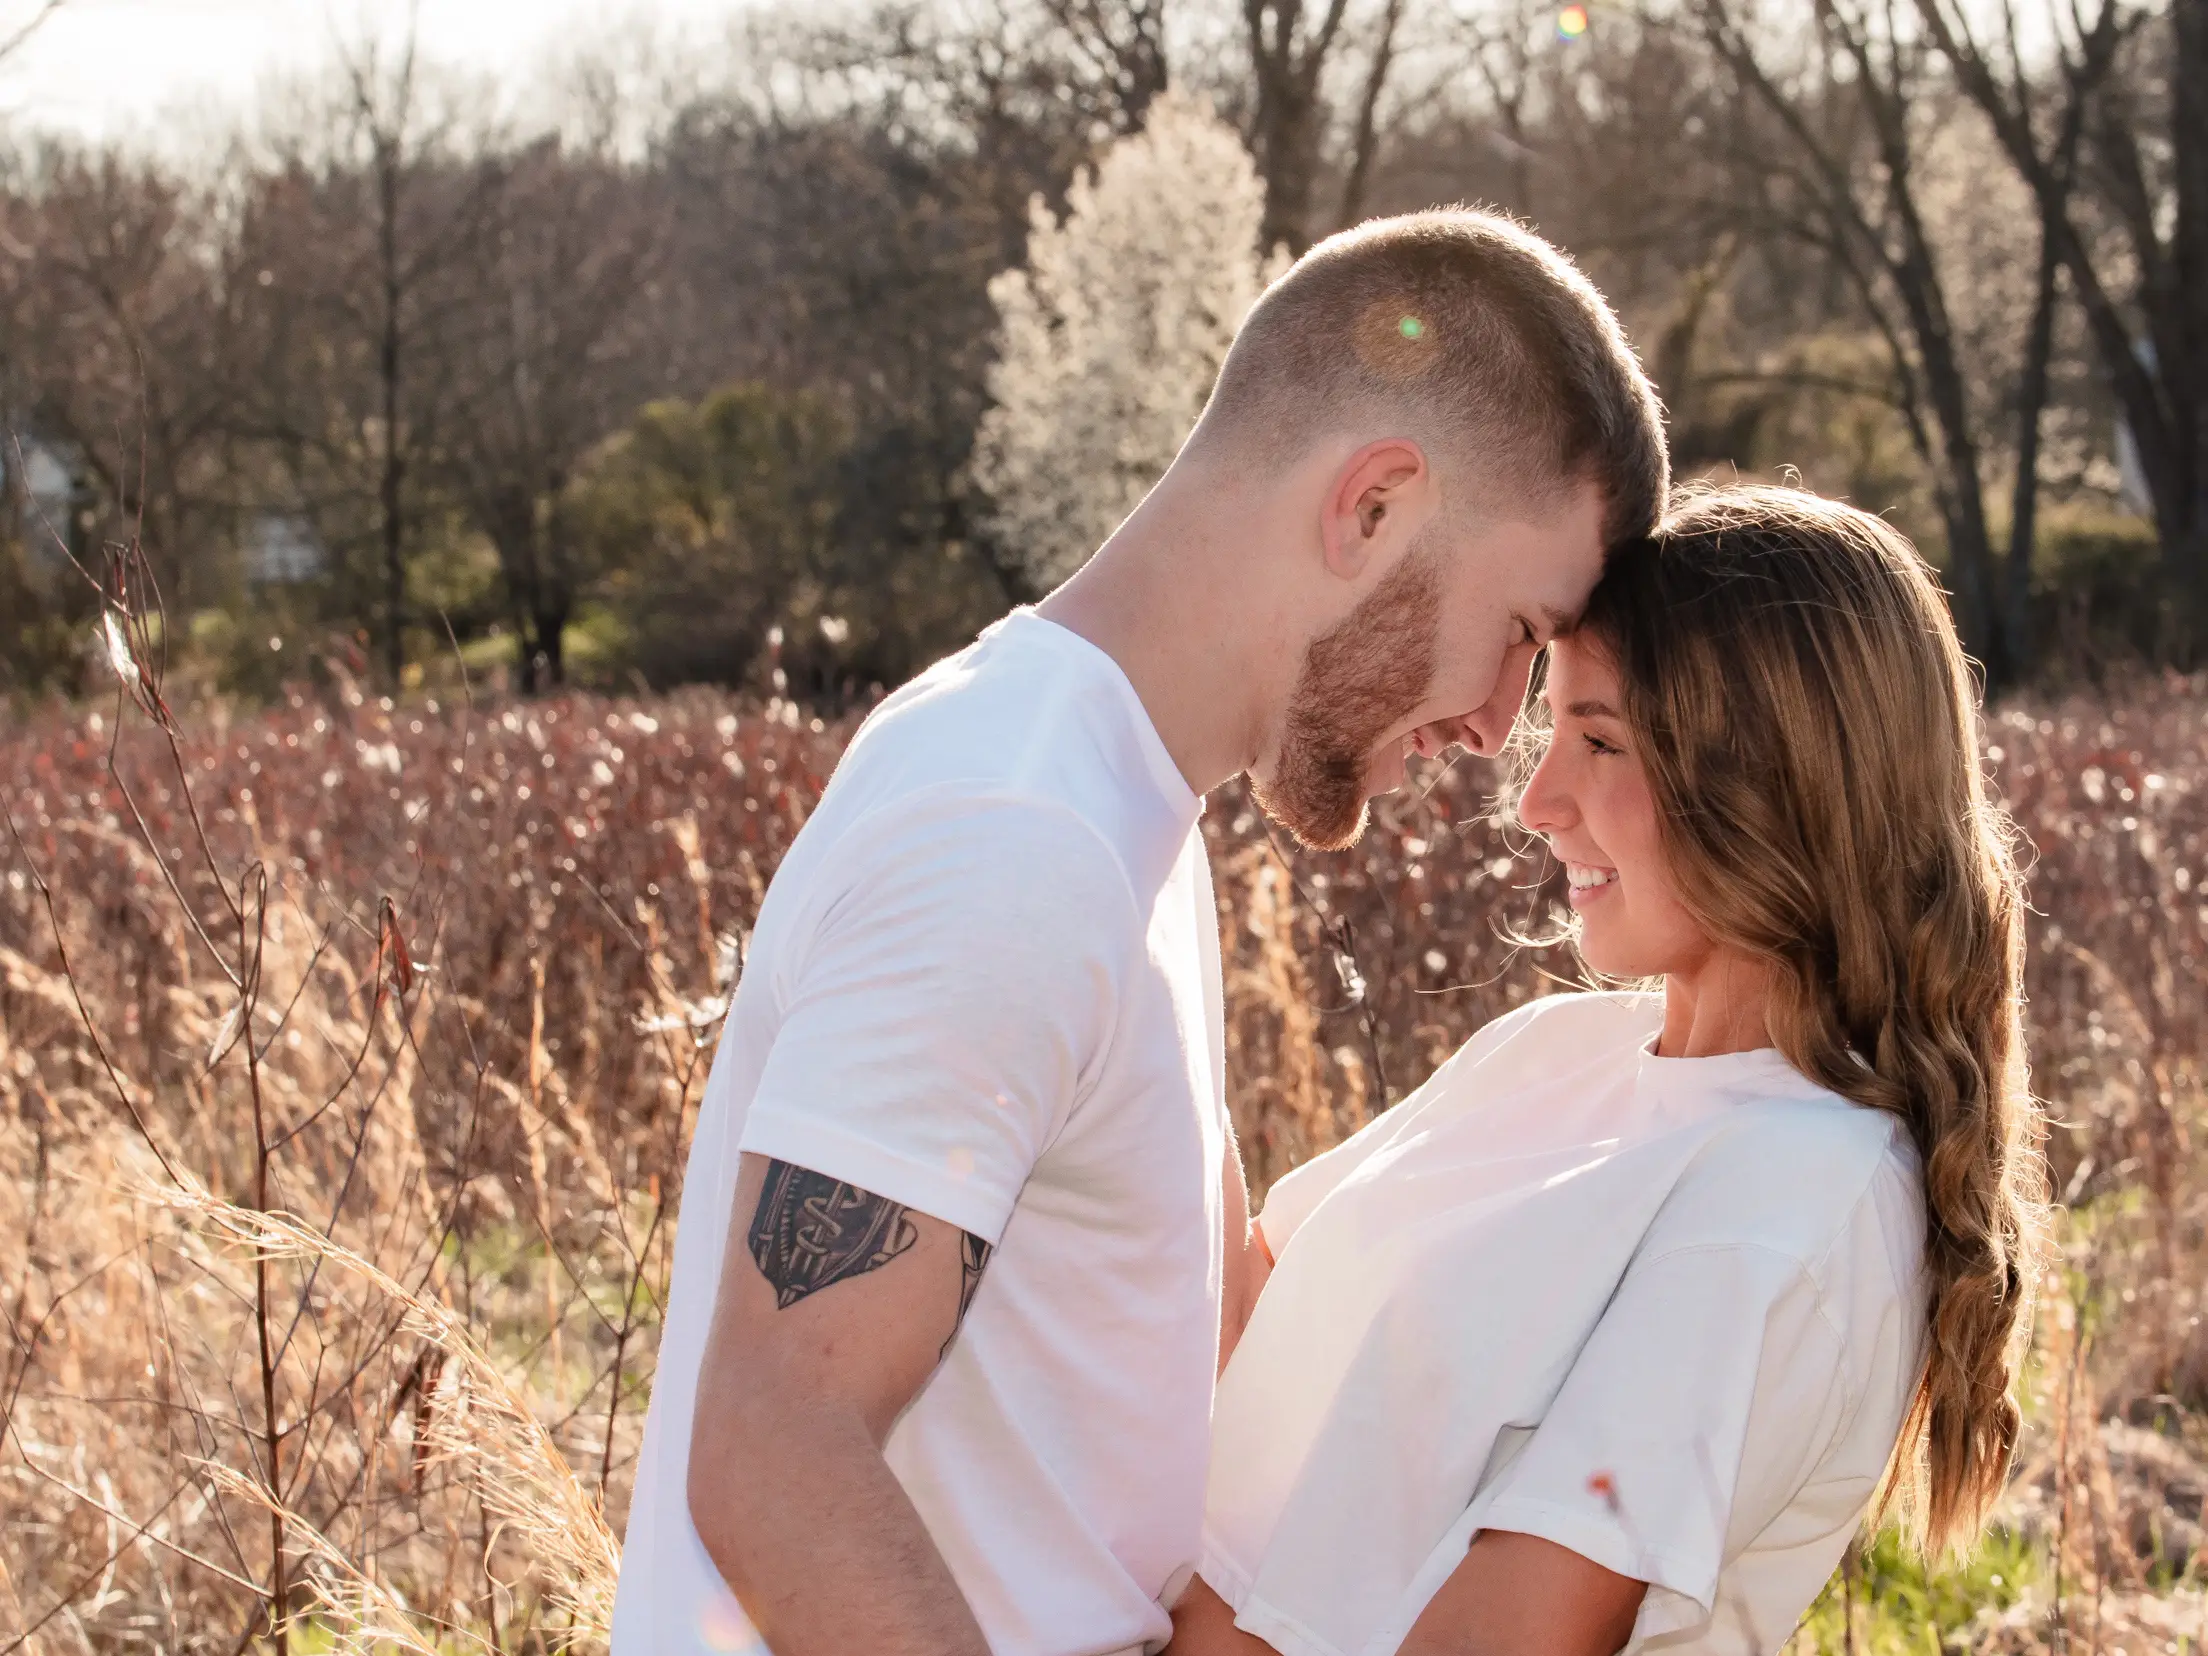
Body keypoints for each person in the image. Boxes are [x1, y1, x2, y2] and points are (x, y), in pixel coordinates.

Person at [608, 208, 1669, 1656]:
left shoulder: (1113, 814)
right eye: (1521, 637)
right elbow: (775, 1454)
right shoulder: (1013, 833)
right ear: (1373, 508)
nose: (1498, 729)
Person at [1170, 486, 2048, 1656]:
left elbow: (1505, 1639)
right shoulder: (1557, 1052)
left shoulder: (1788, 1205)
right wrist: (1140, 950)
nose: (1536, 803)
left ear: (1774, 783)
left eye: (1598, 741)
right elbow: (1239, 1309)